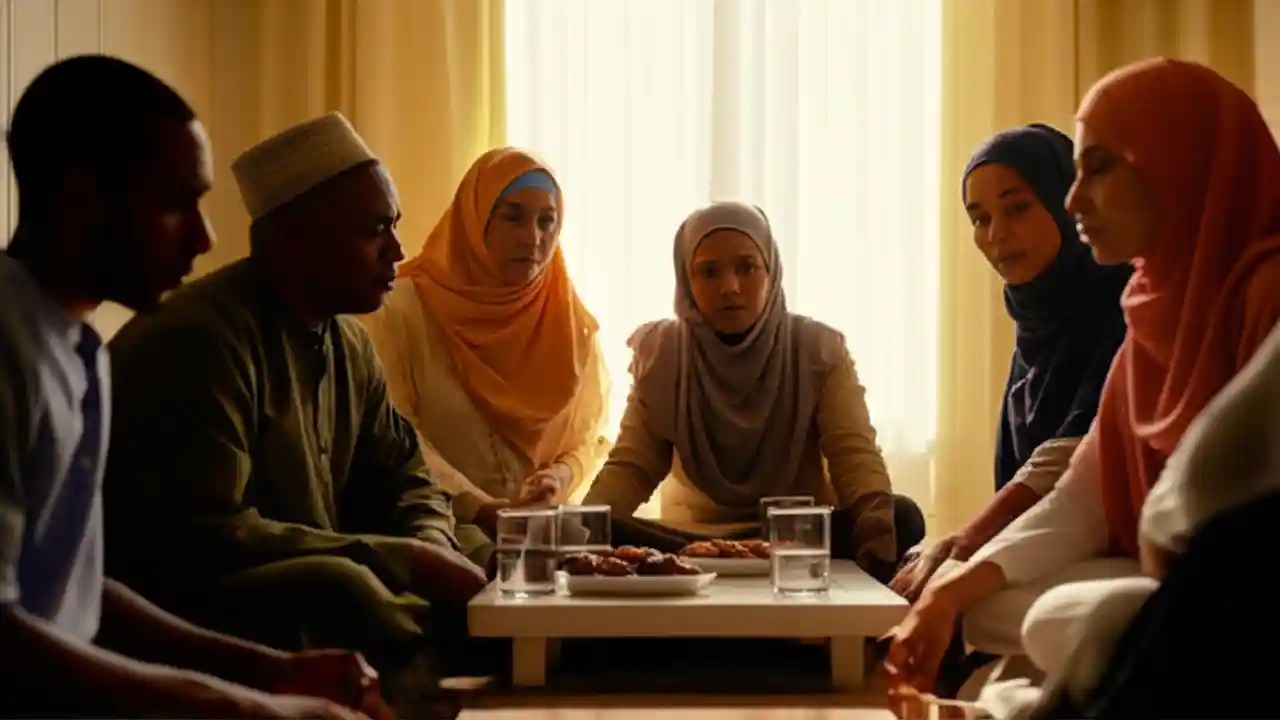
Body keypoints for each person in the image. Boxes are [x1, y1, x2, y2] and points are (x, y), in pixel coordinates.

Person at [0, 56, 382, 719]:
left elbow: (81, 595)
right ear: (82, 198)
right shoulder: (8, 349)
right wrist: (244, 708)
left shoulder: (79, 347)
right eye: (177, 205)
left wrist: (275, 672)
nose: (205, 239)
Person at [884, 57, 1280, 696]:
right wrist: (950, 589)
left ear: (1175, 162)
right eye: (979, 218)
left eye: (1097, 169)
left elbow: (1207, 503)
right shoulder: (1150, 310)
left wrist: (959, 562)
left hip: (1240, 595)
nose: (1074, 202)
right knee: (987, 605)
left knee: (1074, 620)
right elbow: (1083, 493)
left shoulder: (1265, 293)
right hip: (1160, 579)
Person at [103, 112, 491, 717]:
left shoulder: (349, 342)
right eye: (374, 231)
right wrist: (399, 560)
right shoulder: (199, 339)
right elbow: (205, 535)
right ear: (290, 238)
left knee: (482, 548)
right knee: (344, 587)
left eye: (395, 227)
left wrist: (428, 540)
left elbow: (405, 472)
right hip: (193, 596)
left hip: (322, 562)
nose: (398, 252)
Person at [582, 201, 924, 581]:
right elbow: (632, 465)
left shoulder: (816, 348)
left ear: (771, 271)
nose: (729, 287)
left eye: (747, 268)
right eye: (708, 272)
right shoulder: (663, 354)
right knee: (597, 525)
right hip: (694, 539)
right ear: (686, 281)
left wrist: (875, 526)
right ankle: (700, 559)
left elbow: (853, 451)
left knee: (899, 516)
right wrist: (583, 531)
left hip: (797, 535)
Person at [890, 124, 1129, 604]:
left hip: (1120, 540)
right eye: (980, 219)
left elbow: (1075, 452)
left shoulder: (1123, 299)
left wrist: (967, 542)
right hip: (1054, 542)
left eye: (1018, 208)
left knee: (971, 603)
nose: (997, 235)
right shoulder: (1037, 325)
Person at [1026, 319, 1280, 719]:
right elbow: (1081, 487)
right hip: (1175, 561)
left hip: (1205, 572)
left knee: (1103, 621)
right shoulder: (1139, 316)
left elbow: (1199, 495)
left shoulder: (1259, 286)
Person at [364, 148, 609, 536]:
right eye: (512, 217)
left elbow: (588, 438)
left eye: (547, 221)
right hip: (433, 533)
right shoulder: (402, 310)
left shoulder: (568, 322)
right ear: (474, 219)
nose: (532, 238)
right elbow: (395, 433)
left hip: (537, 540)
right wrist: (478, 507)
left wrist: (560, 478)